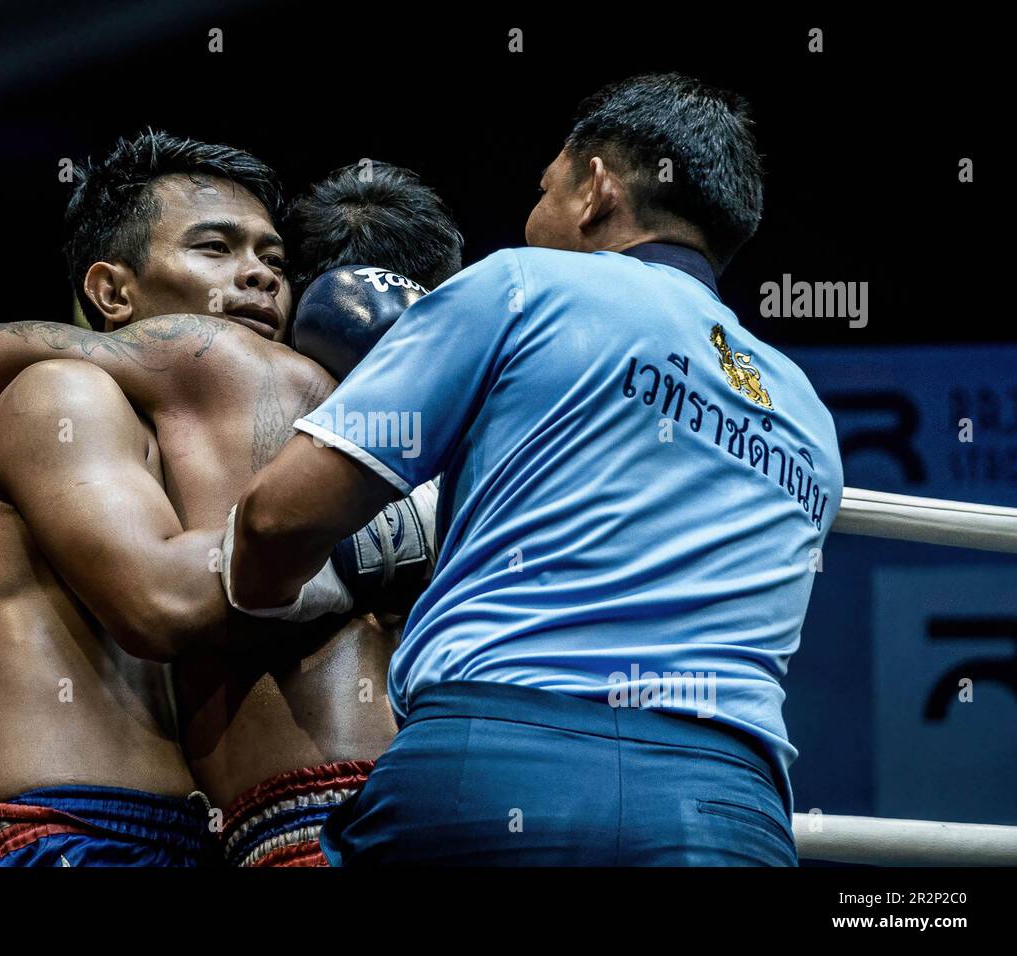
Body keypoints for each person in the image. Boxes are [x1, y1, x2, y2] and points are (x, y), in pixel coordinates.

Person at [224, 73, 844, 865]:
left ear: (595, 189)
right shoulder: (807, 415)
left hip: (502, 762)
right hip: (731, 808)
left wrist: (272, 591)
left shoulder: (522, 284)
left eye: (544, 188)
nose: (533, 213)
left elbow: (280, 518)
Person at [0, 132, 461, 865]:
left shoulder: (255, 425)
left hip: (221, 834)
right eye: (215, 249)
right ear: (112, 291)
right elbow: (161, 605)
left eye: (274, 260)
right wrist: (381, 533)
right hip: (88, 835)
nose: (259, 277)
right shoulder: (62, 396)